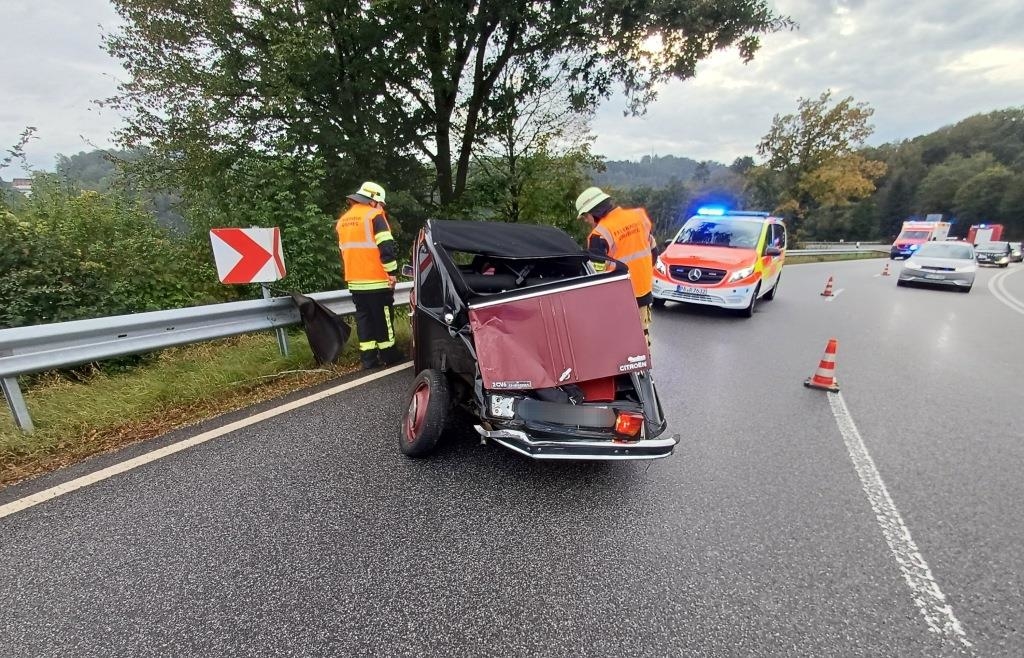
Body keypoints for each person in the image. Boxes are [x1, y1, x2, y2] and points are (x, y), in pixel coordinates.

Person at [575, 186, 657, 344]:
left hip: (618, 296)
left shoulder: (599, 234)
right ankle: (643, 367)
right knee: (641, 337)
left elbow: (595, 276)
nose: (586, 220)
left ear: (593, 212)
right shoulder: (639, 216)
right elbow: (654, 252)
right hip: (644, 291)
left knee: (616, 342)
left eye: (585, 216)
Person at [335, 181, 403, 369]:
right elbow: (386, 248)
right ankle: (389, 355)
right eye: (380, 203)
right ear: (372, 201)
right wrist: (392, 273)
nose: (381, 207)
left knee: (364, 318)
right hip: (376, 278)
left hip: (355, 280)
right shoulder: (375, 216)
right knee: (383, 318)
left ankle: (368, 359)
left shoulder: (344, 221)